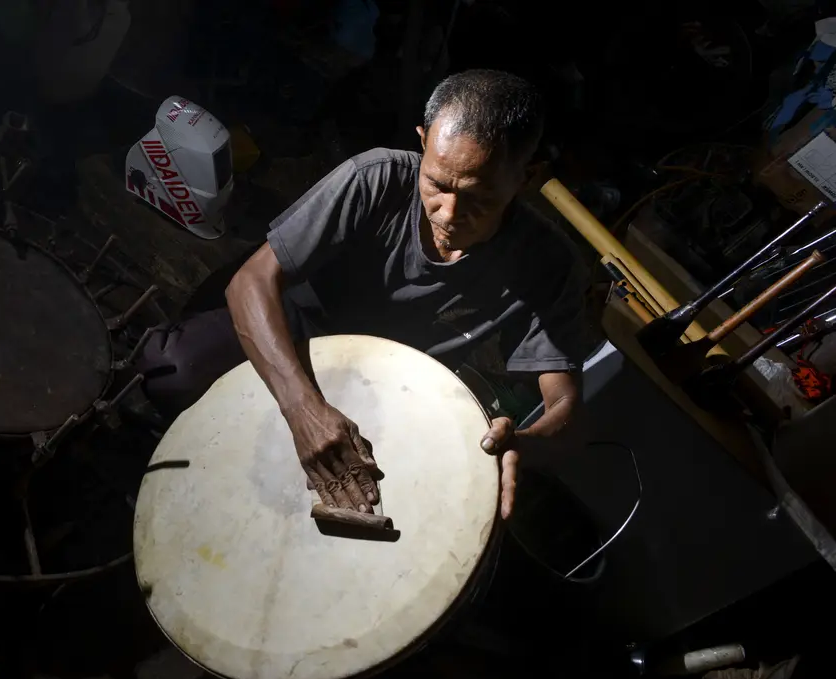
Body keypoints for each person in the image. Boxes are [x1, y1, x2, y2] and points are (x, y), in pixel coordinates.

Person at [136, 69, 587, 521]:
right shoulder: (375, 178)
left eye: (480, 198)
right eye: (437, 184)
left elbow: (564, 406)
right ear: (423, 140)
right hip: (299, 333)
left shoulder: (544, 264)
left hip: (401, 387)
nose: (449, 214)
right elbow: (250, 282)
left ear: (526, 178)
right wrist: (304, 409)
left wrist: (526, 444)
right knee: (171, 368)